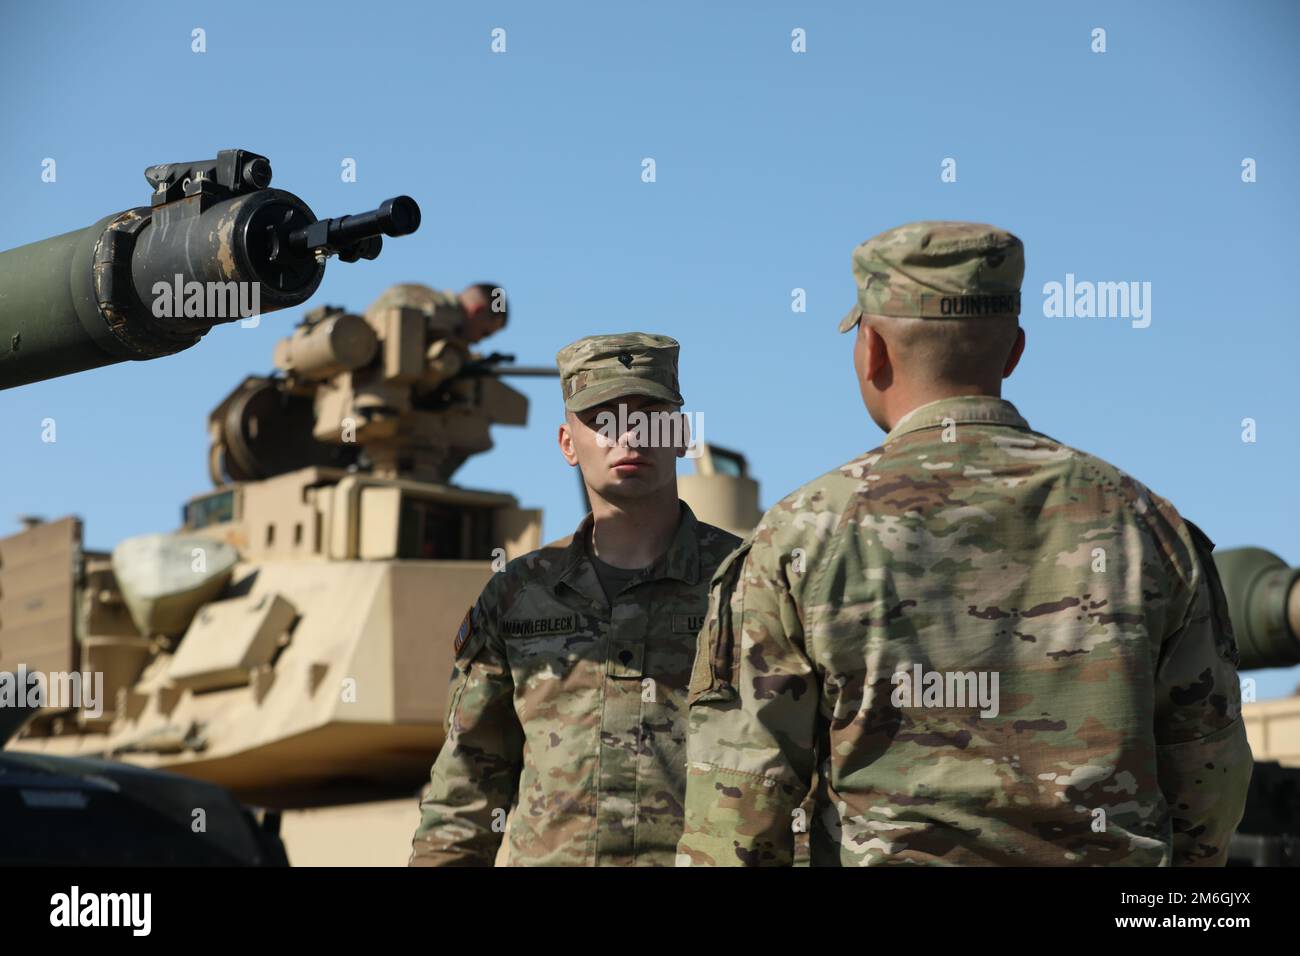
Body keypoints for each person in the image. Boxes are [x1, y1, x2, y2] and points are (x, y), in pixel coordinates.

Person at [677, 221, 1252, 866]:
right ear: (1014, 352)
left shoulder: (803, 531)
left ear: (872, 351)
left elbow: (743, 796)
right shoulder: (1147, 525)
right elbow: (1208, 771)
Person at [410, 332, 740, 865]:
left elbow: (796, 767)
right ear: (567, 443)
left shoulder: (747, 583)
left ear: (680, 435)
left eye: (650, 415)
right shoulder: (517, 595)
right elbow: (465, 791)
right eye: (604, 418)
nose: (629, 434)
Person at [365, 282, 508, 344]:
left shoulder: (419, 295)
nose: (478, 341)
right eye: (484, 333)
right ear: (477, 311)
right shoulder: (440, 316)